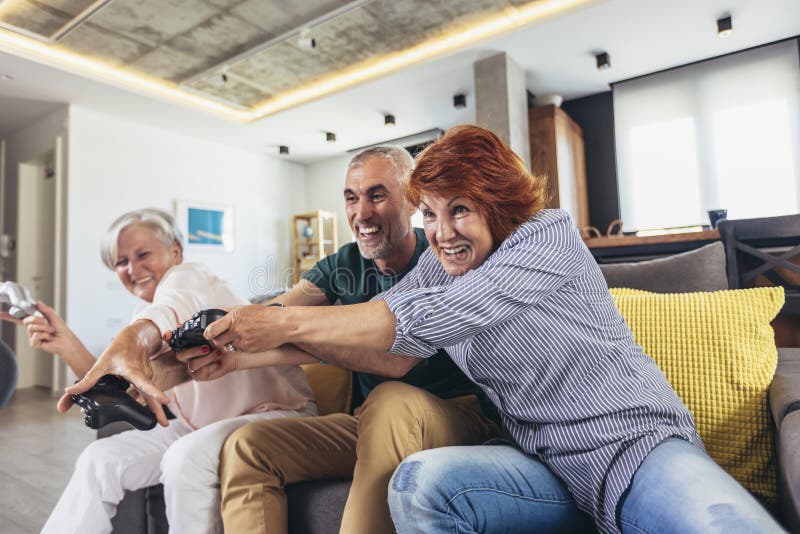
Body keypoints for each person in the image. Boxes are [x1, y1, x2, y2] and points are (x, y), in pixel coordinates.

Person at [200, 125, 783, 534]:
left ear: (498, 205)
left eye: (460, 210)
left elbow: (408, 319)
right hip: (537, 462)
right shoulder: (434, 263)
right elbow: (396, 352)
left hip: (634, 448)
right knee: (422, 485)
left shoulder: (546, 237)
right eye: (430, 212)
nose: (442, 231)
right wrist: (243, 358)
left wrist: (276, 319)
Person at [79, 148, 499, 534]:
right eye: (351, 198)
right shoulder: (345, 263)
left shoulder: (443, 255)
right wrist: (207, 354)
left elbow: (392, 358)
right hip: (366, 420)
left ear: (412, 201)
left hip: (454, 416)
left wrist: (279, 330)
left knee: (390, 395)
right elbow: (270, 316)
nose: (362, 212)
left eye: (377, 195)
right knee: (245, 448)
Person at [2, 208, 316, 534]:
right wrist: (64, 342)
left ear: (176, 251)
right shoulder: (143, 313)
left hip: (279, 414)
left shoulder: (191, 277)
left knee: (184, 459)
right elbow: (125, 388)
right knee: (100, 459)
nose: (131, 269)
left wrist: (135, 337)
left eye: (143, 254)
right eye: (120, 261)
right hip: (205, 424)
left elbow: (166, 312)